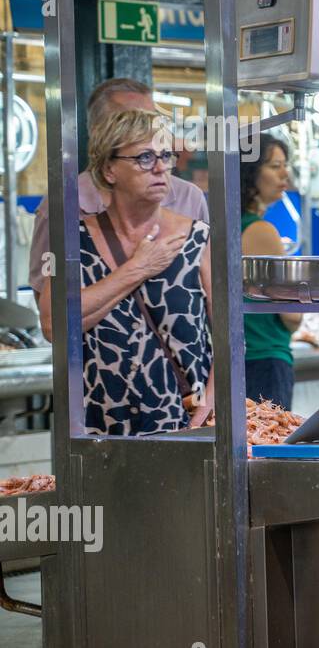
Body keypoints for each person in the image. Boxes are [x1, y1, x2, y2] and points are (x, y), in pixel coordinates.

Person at [38, 108, 213, 435]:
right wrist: (137, 269)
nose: (161, 168)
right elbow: (52, 325)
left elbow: (233, 336)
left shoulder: (197, 237)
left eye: (165, 155)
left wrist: (209, 406)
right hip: (98, 432)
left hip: (186, 426)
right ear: (109, 168)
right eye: (145, 157)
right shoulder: (73, 241)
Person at [29, 77, 208, 297]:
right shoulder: (64, 207)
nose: (145, 128)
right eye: (128, 121)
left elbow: (211, 296)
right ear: (99, 133)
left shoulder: (188, 198)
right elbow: (51, 310)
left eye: (150, 119)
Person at [240, 137, 298, 409]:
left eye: (285, 165)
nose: (284, 173)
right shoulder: (260, 231)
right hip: (266, 358)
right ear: (249, 173)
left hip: (240, 360)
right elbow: (292, 316)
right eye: (275, 166)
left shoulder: (226, 224)